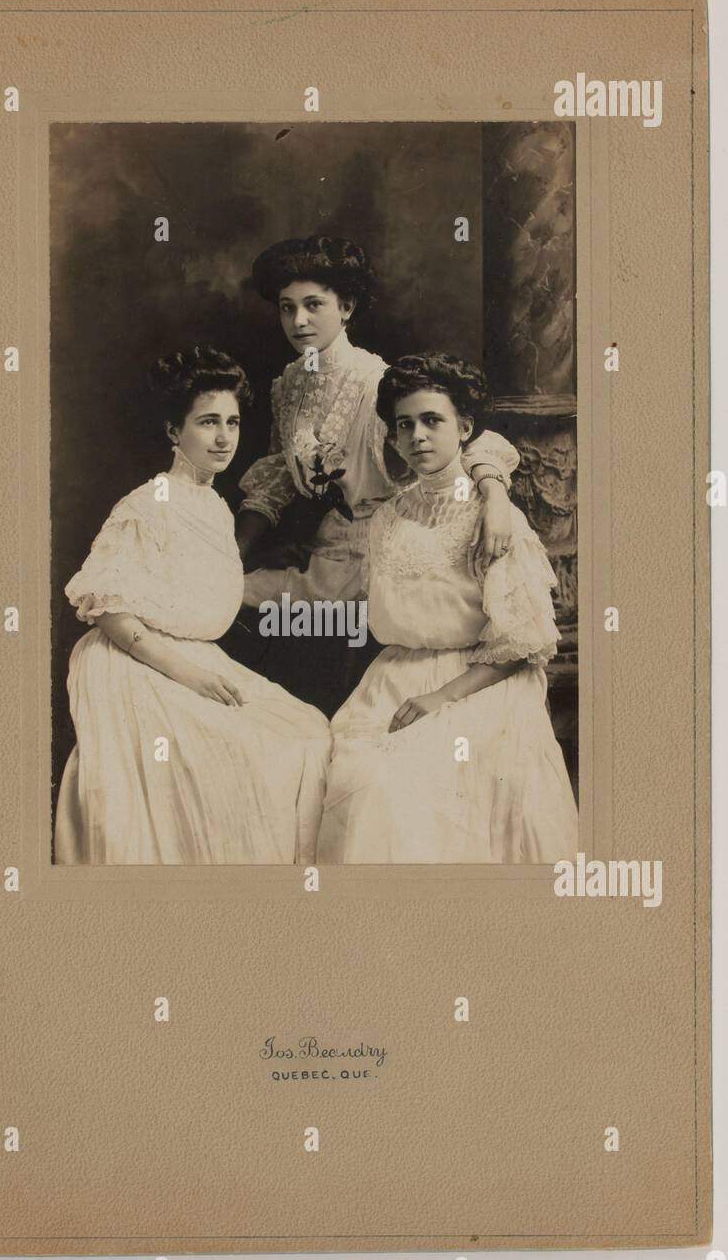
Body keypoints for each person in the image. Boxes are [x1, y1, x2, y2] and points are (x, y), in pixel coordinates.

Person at [54, 347, 331, 865]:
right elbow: (111, 611)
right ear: (173, 433)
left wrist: (261, 560)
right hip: (136, 661)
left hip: (192, 653)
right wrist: (191, 676)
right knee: (261, 750)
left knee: (310, 731)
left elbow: (183, 577)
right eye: (207, 422)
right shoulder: (146, 503)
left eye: (232, 421)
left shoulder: (213, 503)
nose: (224, 437)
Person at [230, 236, 521, 716]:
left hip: (392, 552)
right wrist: (238, 553)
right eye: (286, 308)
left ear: (345, 308)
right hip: (328, 551)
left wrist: (494, 499)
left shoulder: (377, 381)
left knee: (315, 651)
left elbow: (470, 440)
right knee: (223, 595)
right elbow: (278, 476)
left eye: (313, 305)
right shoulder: (288, 386)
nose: (298, 321)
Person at [315, 353, 579, 864]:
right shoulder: (388, 516)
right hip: (392, 676)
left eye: (433, 421)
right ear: (392, 437)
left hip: (477, 682)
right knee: (340, 775)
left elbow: (523, 643)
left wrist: (441, 698)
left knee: (394, 790)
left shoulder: (493, 517)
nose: (417, 436)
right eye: (404, 425)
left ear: (465, 428)